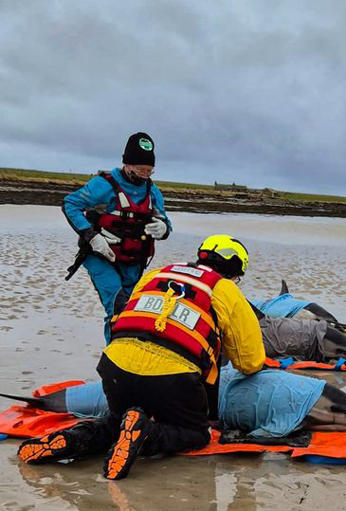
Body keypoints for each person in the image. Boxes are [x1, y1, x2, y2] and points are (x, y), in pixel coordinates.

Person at [18, 234, 266, 480]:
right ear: (234, 270)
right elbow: (250, 361)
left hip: (115, 366)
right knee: (195, 434)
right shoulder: (225, 289)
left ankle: (73, 439)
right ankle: (146, 433)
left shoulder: (157, 274)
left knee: (115, 423)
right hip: (173, 377)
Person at [62, 132, 171, 343]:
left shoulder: (153, 192)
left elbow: (165, 222)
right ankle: (112, 356)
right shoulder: (103, 185)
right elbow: (70, 204)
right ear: (127, 164)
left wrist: (164, 228)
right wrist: (91, 236)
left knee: (132, 311)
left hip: (134, 262)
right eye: (140, 170)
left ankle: (126, 351)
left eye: (149, 171)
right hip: (101, 257)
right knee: (117, 306)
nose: (145, 175)